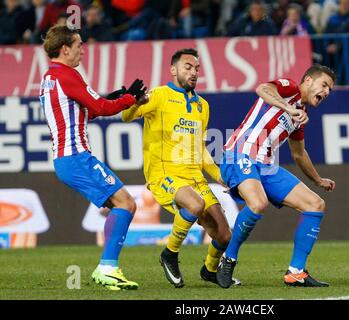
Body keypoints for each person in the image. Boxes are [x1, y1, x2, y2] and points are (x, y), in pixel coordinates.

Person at [39, 25, 147, 290]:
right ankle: (107, 267)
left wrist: (117, 97)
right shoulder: (67, 74)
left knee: (117, 205)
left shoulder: (49, 78)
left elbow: (88, 110)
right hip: (76, 157)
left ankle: (108, 266)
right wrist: (130, 99)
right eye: (79, 46)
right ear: (64, 49)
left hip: (67, 159)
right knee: (127, 204)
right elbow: (100, 107)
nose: (82, 51)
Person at [122, 48, 239, 288]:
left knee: (224, 235)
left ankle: (209, 270)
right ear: (173, 70)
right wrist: (135, 103)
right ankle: (170, 254)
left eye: (196, 68)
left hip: (195, 177)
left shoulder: (202, 105)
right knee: (195, 205)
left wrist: (221, 177)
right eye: (188, 67)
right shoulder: (159, 95)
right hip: (164, 174)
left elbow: (201, 151)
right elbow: (125, 116)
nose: (193, 72)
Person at [216, 64, 336, 289]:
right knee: (258, 203)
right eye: (324, 85)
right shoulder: (288, 88)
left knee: (315, 204)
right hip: (239, 153)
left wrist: (318, 180)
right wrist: (289, 109)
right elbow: (262, 89)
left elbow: (299, 154)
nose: (327, 92)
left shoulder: (301, 114)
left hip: (266, 166)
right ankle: (228, 259)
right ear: (308, 81)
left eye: (330, 89)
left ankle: (295, 272)